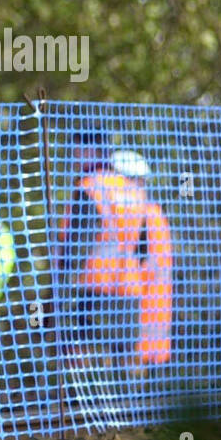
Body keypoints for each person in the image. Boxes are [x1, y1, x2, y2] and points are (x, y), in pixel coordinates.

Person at [56, 131, 147, 370]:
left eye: (77, 152)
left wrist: (58, 297)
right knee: (123, 364)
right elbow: (143, 247)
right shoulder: (134, 191)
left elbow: (75, 248)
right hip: (129, 289)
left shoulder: (91, 188)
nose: (74, 159)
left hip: (92, 289)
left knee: (82, 364)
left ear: (91, 151)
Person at [110, 150, 172, 367]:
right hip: (153, 310)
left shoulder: (142, 214)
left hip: (138, 304)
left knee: (127, 370)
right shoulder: (154, 213)